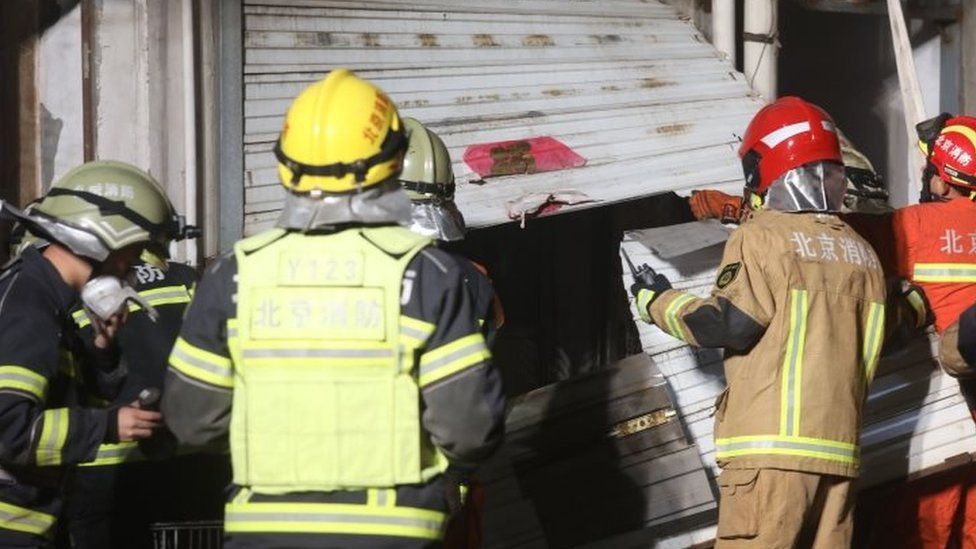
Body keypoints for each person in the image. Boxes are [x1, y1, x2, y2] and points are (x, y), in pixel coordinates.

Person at [160, 68, 505, 548]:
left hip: (265, 533)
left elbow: (191, 423)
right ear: (391, 164)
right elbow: (470, 430)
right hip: (393, 534)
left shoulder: (233, 276)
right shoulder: (430, 278)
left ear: (286, 165)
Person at [630, 97, 886, 547]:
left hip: (771, 458)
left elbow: (726, 325)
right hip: (840, 456)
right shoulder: (863, 255)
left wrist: (657, 300)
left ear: (764, 165)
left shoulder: (763, 237)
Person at [0, 160, 175, 548]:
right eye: (131, 255)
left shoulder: (47, 302)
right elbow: (10, 432)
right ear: (101, 235)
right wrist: (109, 427)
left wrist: (100, 353)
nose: (131, 270)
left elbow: (63, 409)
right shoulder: (29, 309)